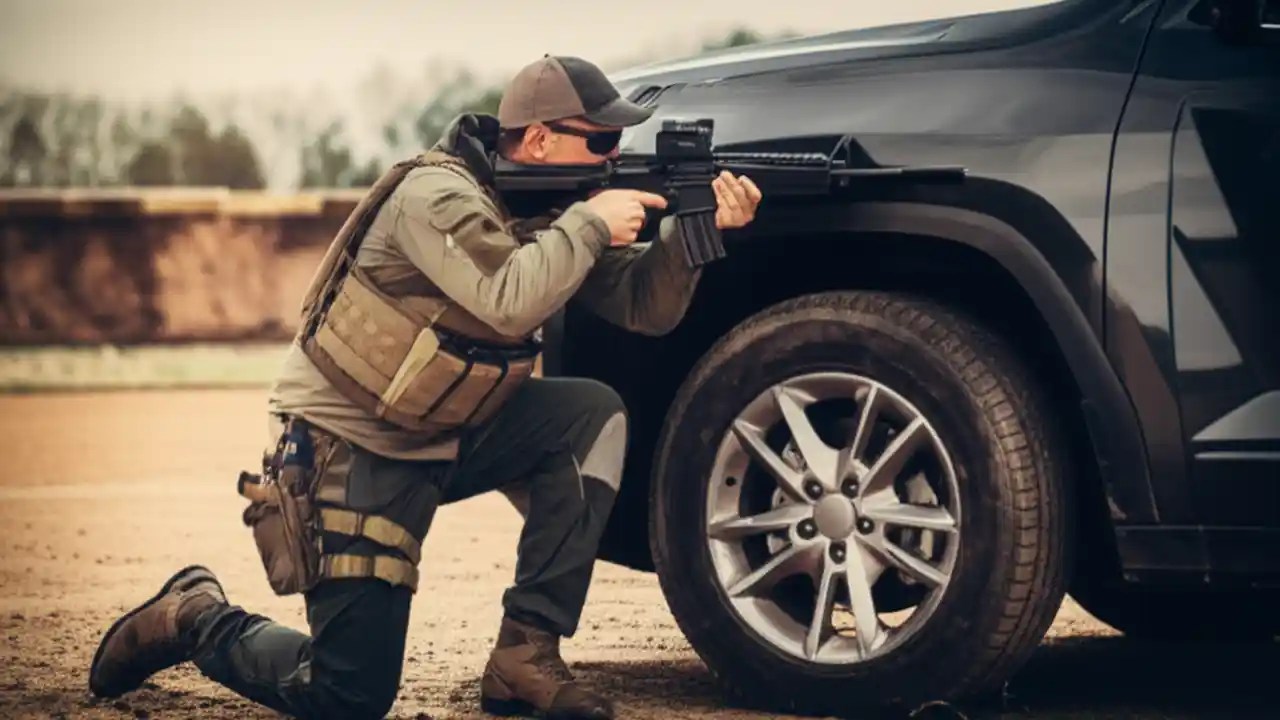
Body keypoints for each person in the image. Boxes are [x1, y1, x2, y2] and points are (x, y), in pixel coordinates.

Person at [87, 54, 762, 720]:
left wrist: (692, 237)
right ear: (538, 139)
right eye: (603, 141)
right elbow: (507, 299)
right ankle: (194, 614)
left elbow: (646, 306)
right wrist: (587, 224)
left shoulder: (551, 208)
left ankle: (523, 657)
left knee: (589, 417)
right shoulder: (435, 197)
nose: (613, 157)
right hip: (352, 450)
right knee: (346, 695)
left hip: (450, 428)